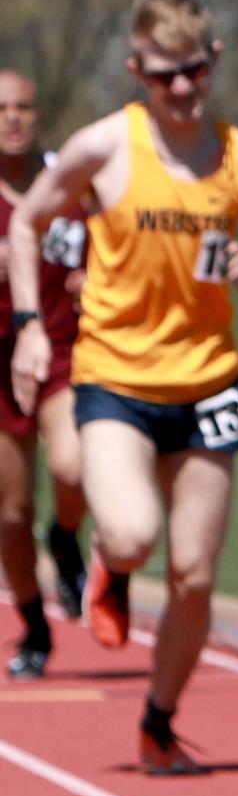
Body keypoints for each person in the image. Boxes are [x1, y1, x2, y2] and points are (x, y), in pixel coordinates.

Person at [8, 0, 238, 773]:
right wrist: (31, 326)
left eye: (195, 70)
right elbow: (27, 224)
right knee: (133, 532)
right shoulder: (105, 147)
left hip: (208, 382)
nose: (183, 89)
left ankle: (158, 722)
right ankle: (108, 563)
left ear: (215, 60)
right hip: (116, 375)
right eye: (165, 75)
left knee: (196, 576)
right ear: (137, 72)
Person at [0, 71, 90, 679]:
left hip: (62, 350)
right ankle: (33, 627)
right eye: (1, 108)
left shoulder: (71, 180)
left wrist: (98, 277)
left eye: (24, 107)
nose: (12, 119)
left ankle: (64, 536)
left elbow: (115, 242)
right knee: (9, 514)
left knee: (73, 464)